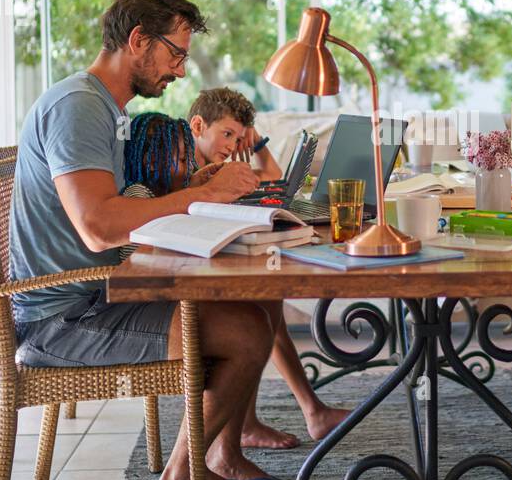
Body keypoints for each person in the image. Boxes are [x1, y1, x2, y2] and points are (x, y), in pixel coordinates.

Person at [8, 0, 292, 480]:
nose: (181, 71)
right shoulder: (79, 107)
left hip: (95, 296)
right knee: (248, 330)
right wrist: (198, 197)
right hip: (62, 319)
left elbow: (118, 204)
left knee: (254, 310)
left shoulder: (104, 109)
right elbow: (97, 226)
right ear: (138, 40)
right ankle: (181, 478)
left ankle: (224, 459)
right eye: (175, 53)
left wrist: (194, 188)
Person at [123, 107, 350, 449]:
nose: (187, 167)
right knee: (249, 319)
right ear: (154, 162)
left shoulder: (161, 190)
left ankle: (268, 422)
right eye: (180, 159)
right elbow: (158, 249)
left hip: (171, 292)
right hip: (152, 310)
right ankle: (228, 447)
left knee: (264, 302)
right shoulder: (141, 195)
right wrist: (197, 195)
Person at [187, 87, 283, 181]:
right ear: (198, 126)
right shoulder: (175, 172)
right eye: (227, 134)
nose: (232, 148)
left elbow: (273, 175)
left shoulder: (216, 173)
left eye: (238, 140)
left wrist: (256, 139)